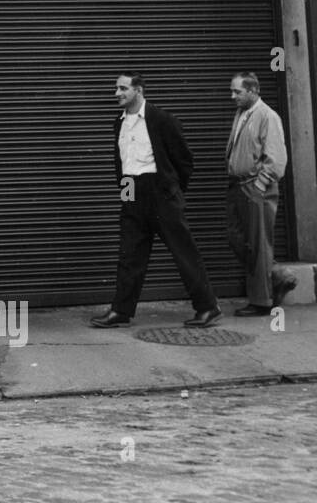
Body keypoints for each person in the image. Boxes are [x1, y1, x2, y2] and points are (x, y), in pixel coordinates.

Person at [91, 72, 221, 329]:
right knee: (129, 255)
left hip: (160, 192)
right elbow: (122, 161)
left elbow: (184, 160)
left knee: (183, 252)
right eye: (116, 89)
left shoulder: (161, 119)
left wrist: (171, 191)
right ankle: (121, 311)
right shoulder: (119, 122)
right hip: (131, 192)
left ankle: (208, 307)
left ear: (138, 90)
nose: (117, 94)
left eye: (123, 89)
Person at [225, 72, 287, 316]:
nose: (233, 96)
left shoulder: (267, 116)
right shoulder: (243, 113)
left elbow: (277, 158)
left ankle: (261, 302)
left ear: (252, 91)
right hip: (238, 186)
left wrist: (260, 185)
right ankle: (279, 276)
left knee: (258, 244)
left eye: (237, 92)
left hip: (256, 187)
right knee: (236, 236)